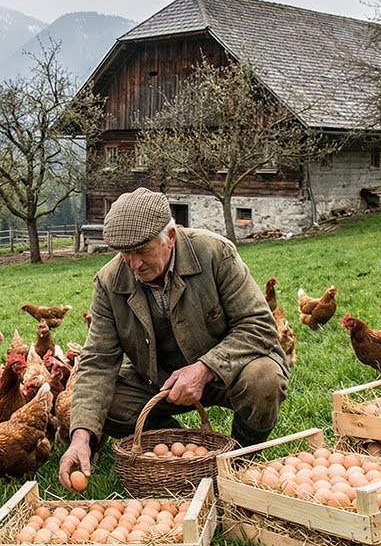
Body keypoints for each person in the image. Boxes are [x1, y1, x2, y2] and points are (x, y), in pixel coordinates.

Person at [58, 187, 289, 489]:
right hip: (159, 381)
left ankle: (239, 460)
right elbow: (98, 362)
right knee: (107, 405)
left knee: (264, 379)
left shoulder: (215, 253)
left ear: (170, 236)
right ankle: (181, 452)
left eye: (142, 251)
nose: (134, 263)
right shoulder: (109, 282)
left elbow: (258, 325)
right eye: (125, 253)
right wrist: (81, 437)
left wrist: (204, 369)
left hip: (227, 372)